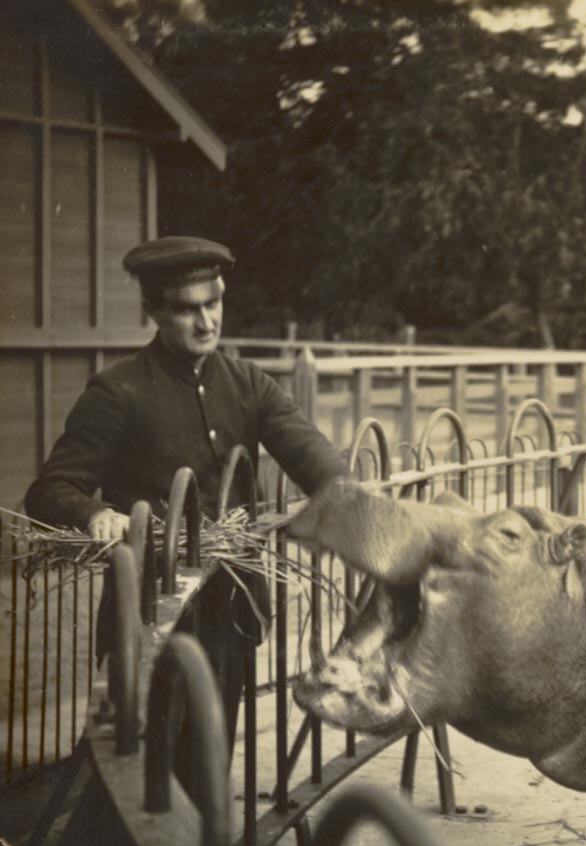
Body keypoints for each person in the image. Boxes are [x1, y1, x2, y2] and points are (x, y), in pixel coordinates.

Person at [24, 236, 348, 767]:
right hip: (151, 617)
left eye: (213, 303)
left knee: (209, 765)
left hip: (234, 613)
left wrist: (349, 496)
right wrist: (95, 513)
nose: (205, 322)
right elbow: (50, 490)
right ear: (154, 311)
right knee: (135, 773)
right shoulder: (118, 392)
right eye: (186, 309)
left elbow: (310, 452)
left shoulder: (248, 384)